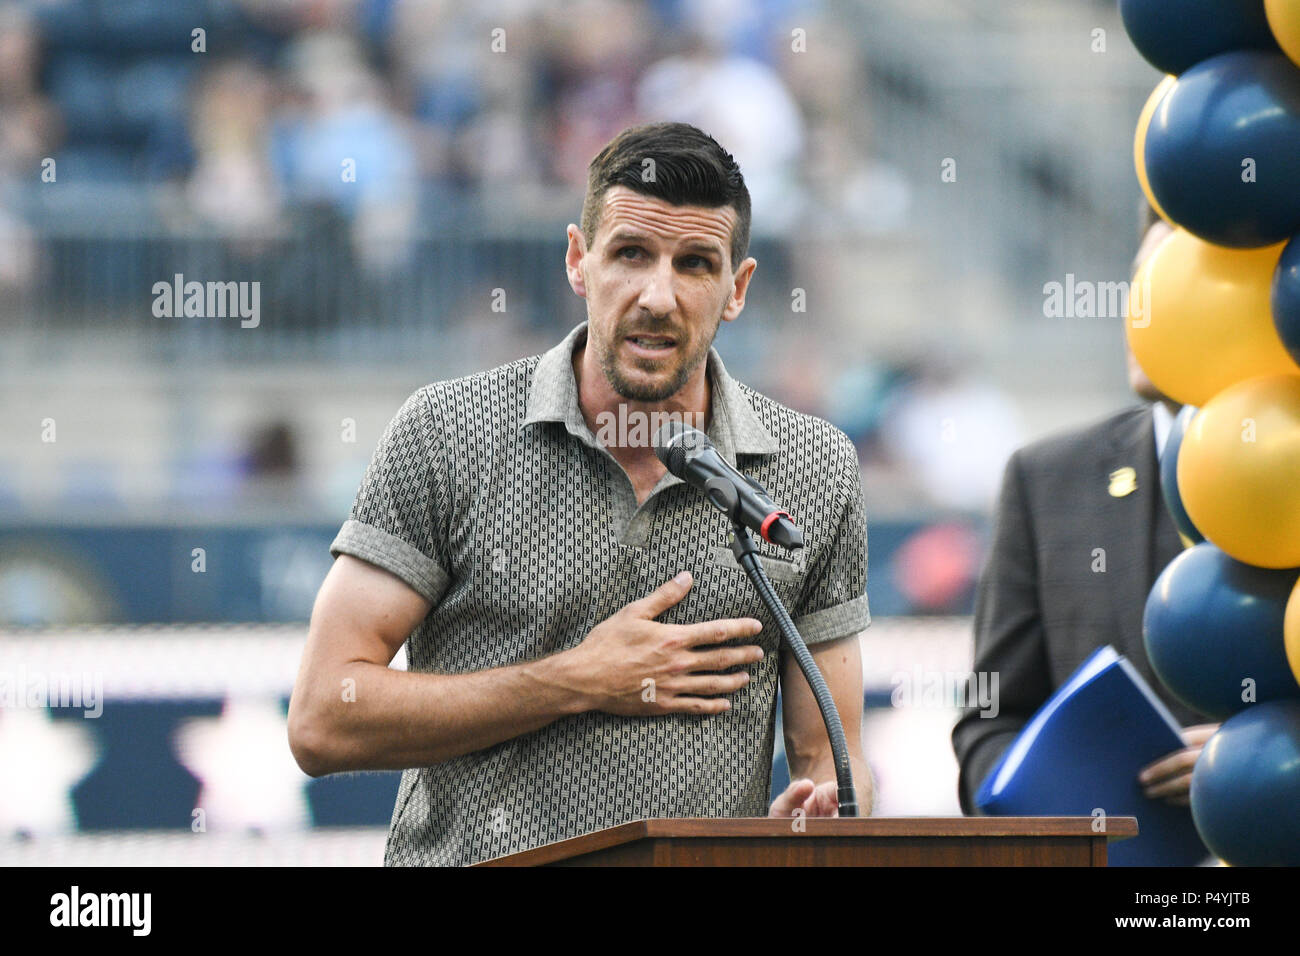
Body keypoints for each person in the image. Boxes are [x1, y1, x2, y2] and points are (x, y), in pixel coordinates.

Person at [288, 121, 874, 866]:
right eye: (631, 254)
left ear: (737, 289)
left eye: (695, 264)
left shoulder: (814, 469)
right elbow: (321, 719)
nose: (658, 296)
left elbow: (833, 755)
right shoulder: (447, 432)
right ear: (577, 261)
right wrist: (577, 680)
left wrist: (822, 808)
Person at [951, 201, 1219, 833]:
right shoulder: (1046, 480)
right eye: (1135, 284)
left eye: (1170, 287)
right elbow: (991, 722)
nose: (1139, 313)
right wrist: (1061, 817)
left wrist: (1262, 766)